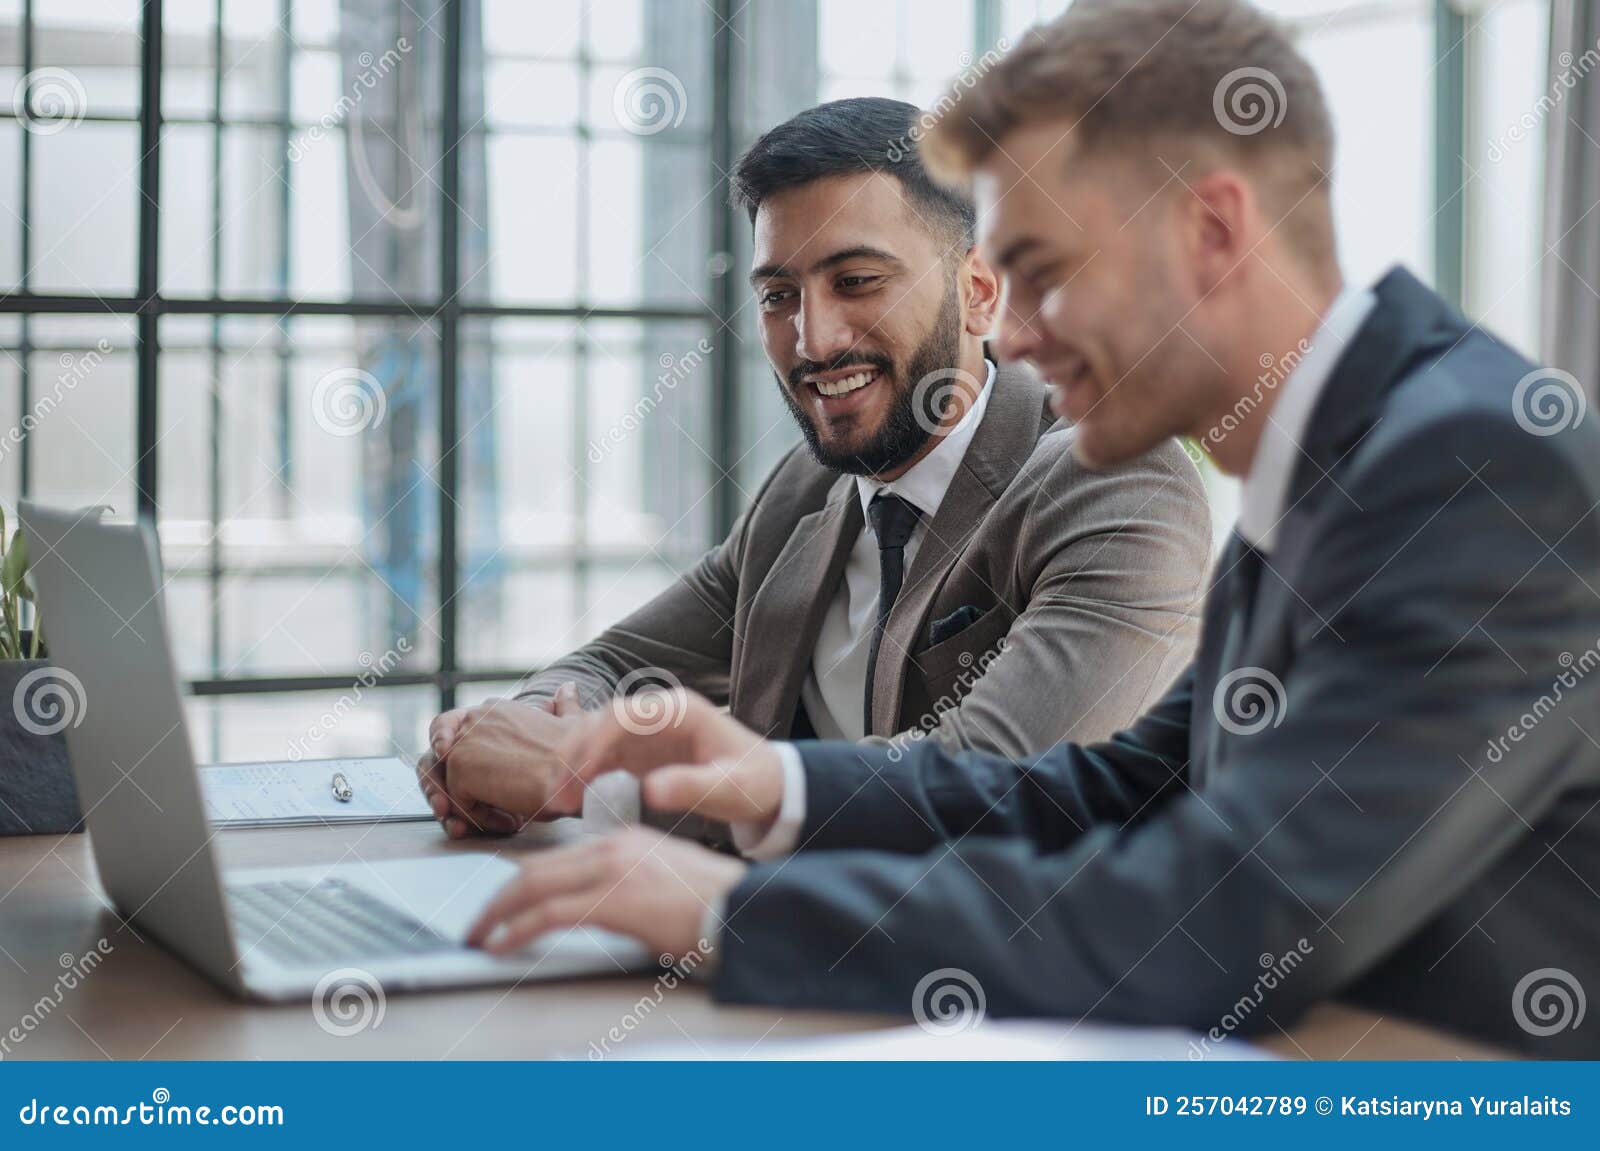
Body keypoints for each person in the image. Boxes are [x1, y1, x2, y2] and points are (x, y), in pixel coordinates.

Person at [459, 0, 1600, 1058]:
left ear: (1211, 227)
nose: (1019, 334)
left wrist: (737, 907)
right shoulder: (1339, 454)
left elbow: (1228, 913)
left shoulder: (1468, 467)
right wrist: (774, 784)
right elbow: (1113, 791)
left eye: (1046, 274)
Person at [420, 96, 1210, 838]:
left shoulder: (1118, 481)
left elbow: (978, 792)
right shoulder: (806, 490)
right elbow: (615, 663)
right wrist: (517, 732)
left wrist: (586, 777)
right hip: (770, 950)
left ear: (976, 291)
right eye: (777, 295)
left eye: (856, 281)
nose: (813, 339)